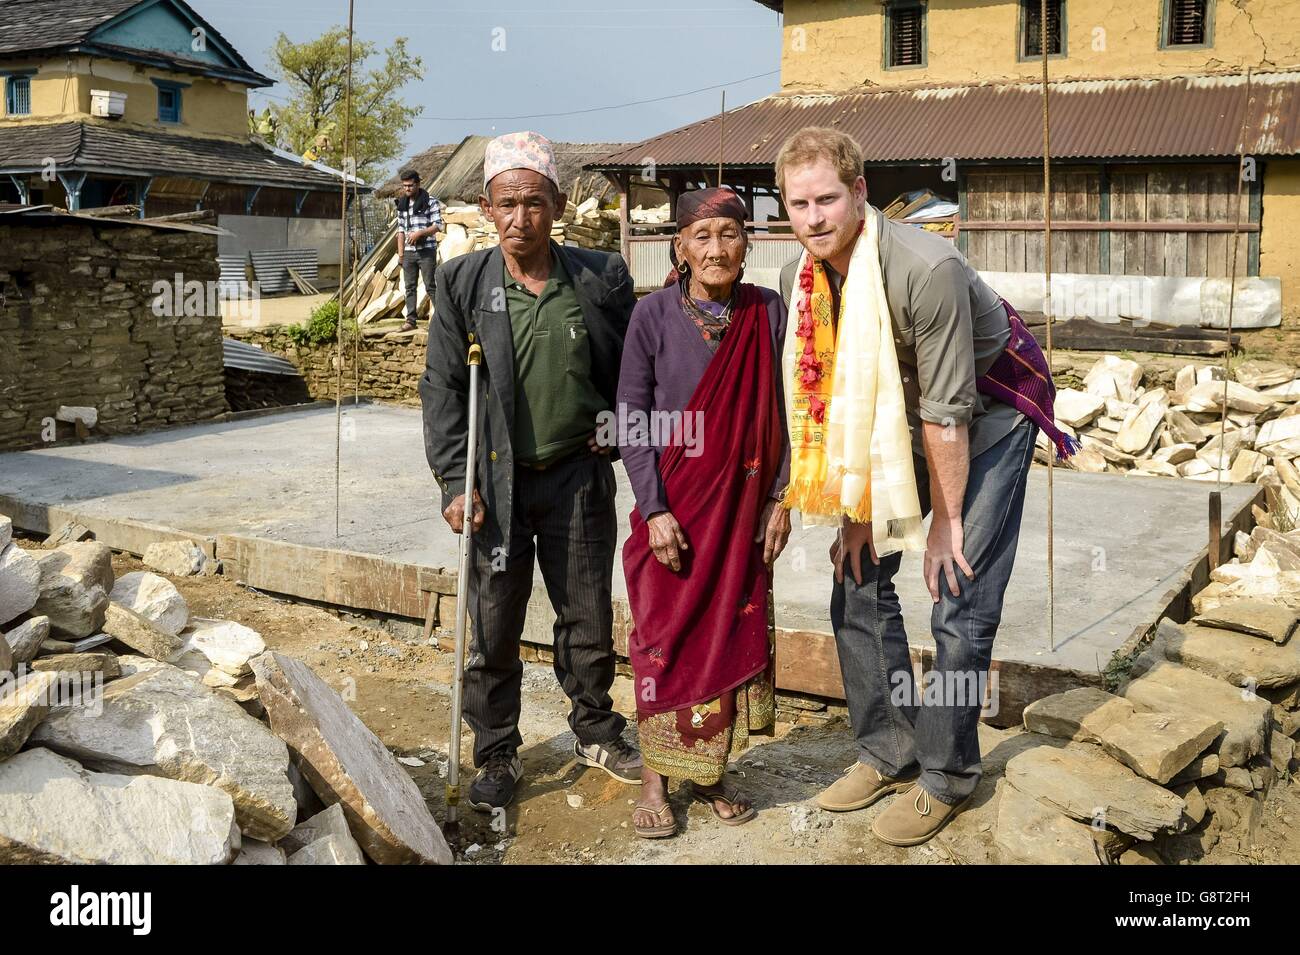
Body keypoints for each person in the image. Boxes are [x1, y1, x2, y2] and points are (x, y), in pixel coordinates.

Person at [776, 127, 1075, 847]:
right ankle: (888, 746)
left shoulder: (924, 267)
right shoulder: (807, 278)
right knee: (855, 575)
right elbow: (839, 396)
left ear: (859, 193)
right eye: (798, 203)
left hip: (988, 414)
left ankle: (945, 773)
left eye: (827, 199)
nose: (814, 217)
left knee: (959, 590)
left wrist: (945, 522)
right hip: (893, 420)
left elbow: (948, 415)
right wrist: (857, 510)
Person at [419, 131, 642, 812]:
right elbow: (443, 389)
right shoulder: (461, 282)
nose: (522, 218)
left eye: (535, 203)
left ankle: (595, 728)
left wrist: (617, 422)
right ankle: (495, 749)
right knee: (492, 621)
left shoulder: (601, 277)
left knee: (585, 614)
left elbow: (633, 372)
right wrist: (456, 481)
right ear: (487, 208)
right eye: (508, 204)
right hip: (497, 482)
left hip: (577, 474)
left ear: (560, 203)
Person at [616, 187, 791, 838]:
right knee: (664, 638)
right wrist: (654, 508)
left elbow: (790, 409)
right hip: (675, 514)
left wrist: (782, 495)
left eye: (730, 233)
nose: (717, 248)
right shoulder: (653, 317)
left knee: (723, 634)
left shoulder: (767, 312)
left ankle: (711, 770)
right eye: (703, 236)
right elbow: (631, 419)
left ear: (747, 244)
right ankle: (655, 779)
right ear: (680, 248)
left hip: (744, 511)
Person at [396, 169, 445, 332]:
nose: (407, 189)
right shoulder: (402, 204)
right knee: (409, 287)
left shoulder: (430, 201)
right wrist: (401, 254)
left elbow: (438, 225)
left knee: (430, 285)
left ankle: (441, 319)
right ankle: (410, 320)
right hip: (409, 253)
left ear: (417, 184)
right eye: (405, 186)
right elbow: (400, 230)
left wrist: (420, 233)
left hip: (426, 251)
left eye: (410, 185)